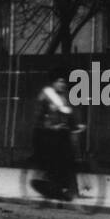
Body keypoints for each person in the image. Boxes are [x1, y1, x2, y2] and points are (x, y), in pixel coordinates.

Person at [31, 70, 82, 200]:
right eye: (59, 81)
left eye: (63, 82)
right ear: (53, 83)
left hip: (62, 135)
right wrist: (51, 127)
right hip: (49, 135)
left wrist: (76, 125)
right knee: (57, 163)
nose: (62, 84)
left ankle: (70, 190)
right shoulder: (45, 96)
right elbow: (38, 118)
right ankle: (59, 189)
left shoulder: (64, 97)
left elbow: (69, 114)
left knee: (69, 162)